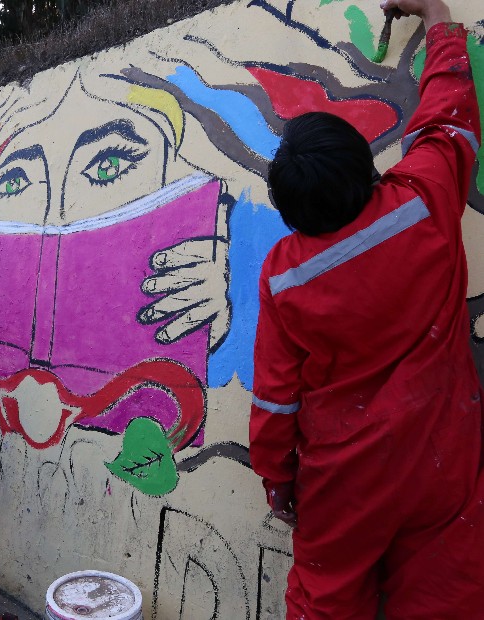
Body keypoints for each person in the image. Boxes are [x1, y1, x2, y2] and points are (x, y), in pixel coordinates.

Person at [249, 0, 483, 617]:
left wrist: (278, 480)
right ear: (365, 165)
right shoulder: (424, 201)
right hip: (441, 462)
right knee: (446, 600)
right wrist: (436, 15)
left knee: (325, 604)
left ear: (291, 209)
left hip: (342, 481)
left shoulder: (284, 274)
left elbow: (277, 397)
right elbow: (448, 120)